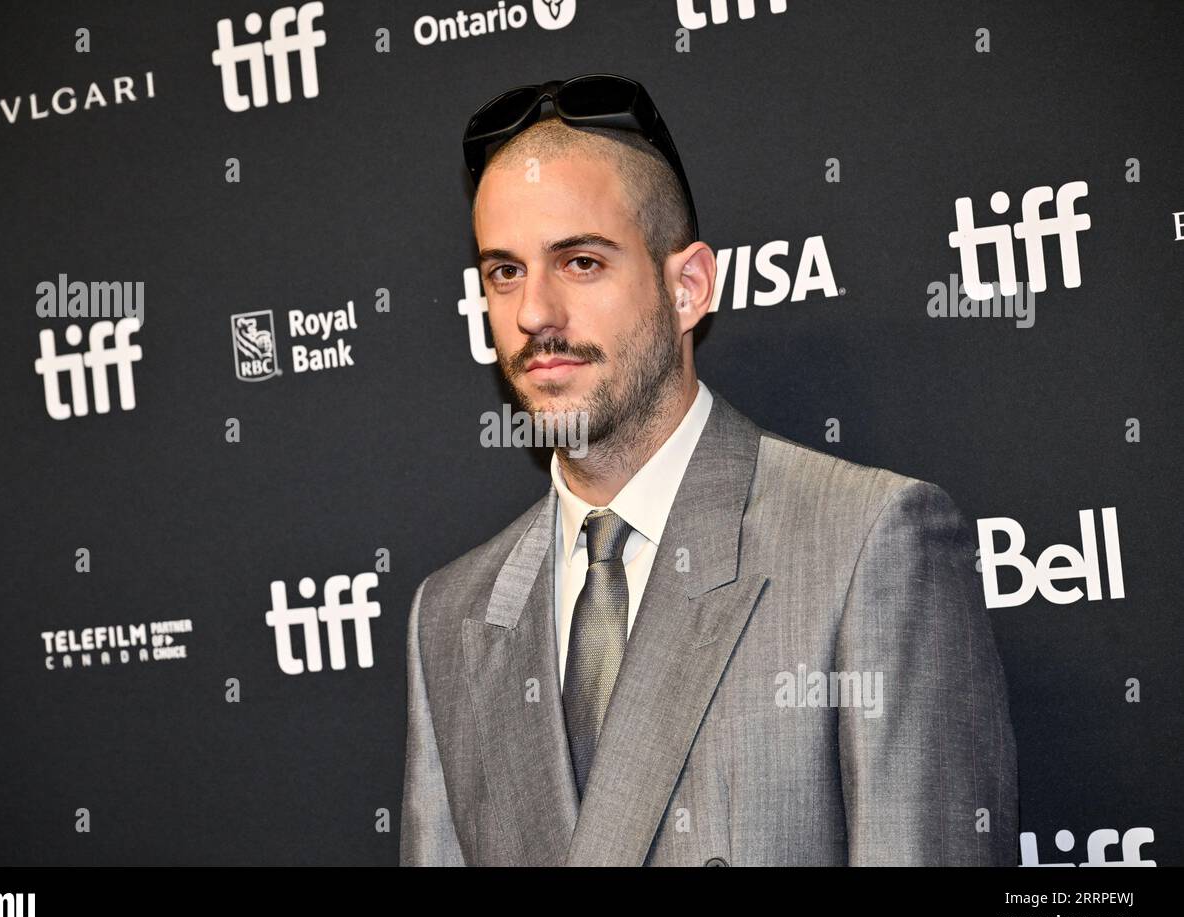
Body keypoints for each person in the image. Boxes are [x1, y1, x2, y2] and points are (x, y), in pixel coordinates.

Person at [400, 73, 1018, 866]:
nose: (534, 315)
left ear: (688, 287)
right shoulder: (450, 616)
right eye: (504, 272)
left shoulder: (865, 547)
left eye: (581, 262)